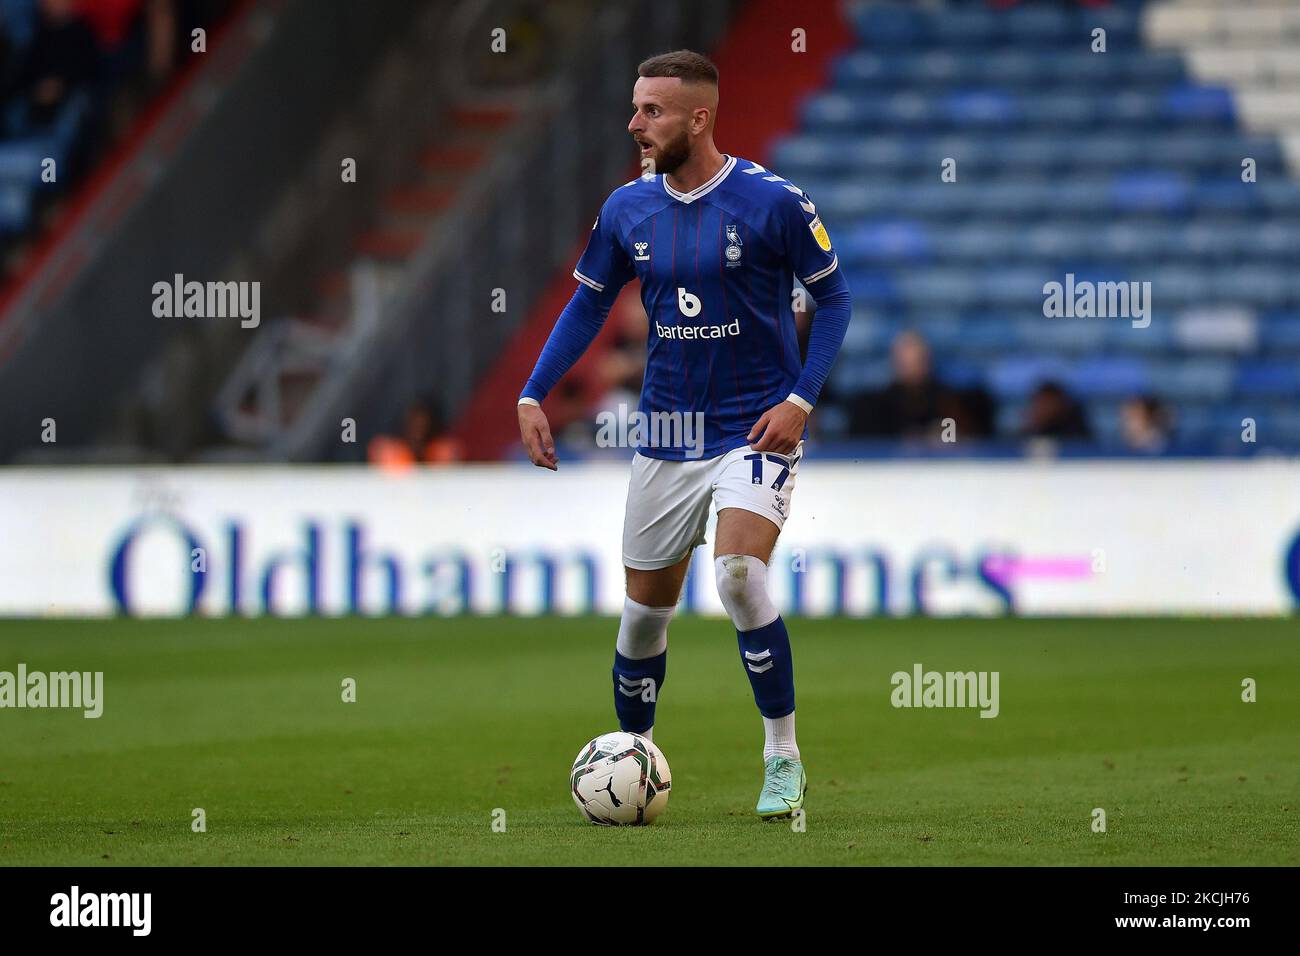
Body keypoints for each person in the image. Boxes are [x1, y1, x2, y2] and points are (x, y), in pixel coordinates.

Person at [516, 49, 852, 818]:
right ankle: (633, 757)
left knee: (738, 576)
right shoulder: (628, 209)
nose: (636, 124)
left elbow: (834, 304)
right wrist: (534, 391)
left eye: (652, 112)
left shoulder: (774, 203)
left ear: (699, 118)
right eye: (636, 108)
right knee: (643, 617)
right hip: (666, 431)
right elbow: (590, 307)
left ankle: (782, 757)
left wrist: (801, 398)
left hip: (755, 426)